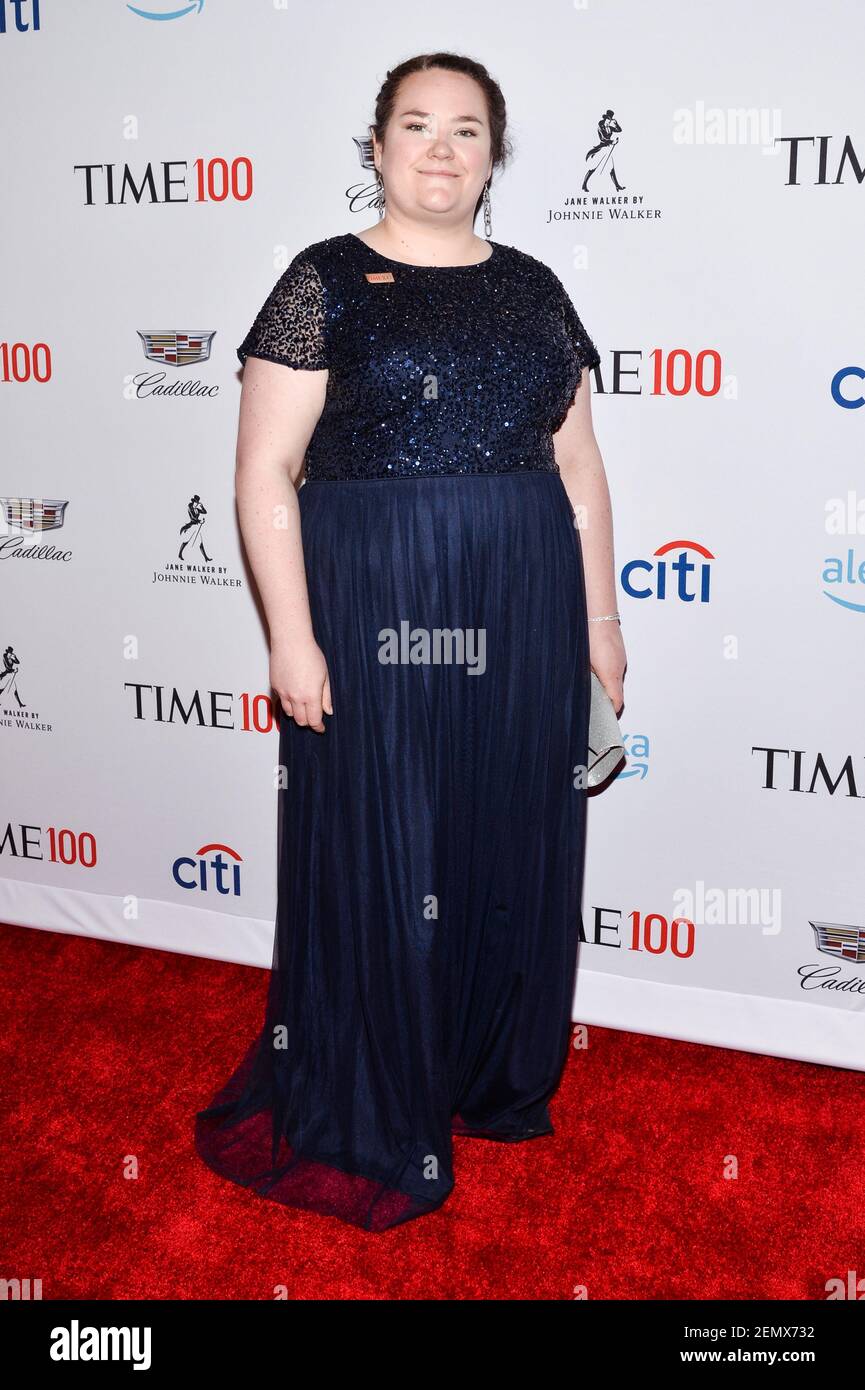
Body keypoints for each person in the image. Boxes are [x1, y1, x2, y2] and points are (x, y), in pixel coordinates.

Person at [194, 51, 626, 1232]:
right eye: (417, 126)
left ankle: (483, 1071)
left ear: (495, 155)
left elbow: (578, 465)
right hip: (374, 598)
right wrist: (292, 636)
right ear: (376, 147)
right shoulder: (322, 279)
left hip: (522, 588)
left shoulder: (537, 287)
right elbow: (264, 474)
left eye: (468, 130)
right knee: (384, 837)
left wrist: (600, 621)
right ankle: (369, 1093)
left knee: (504, 832)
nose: (441, 150)